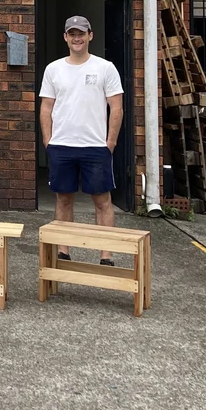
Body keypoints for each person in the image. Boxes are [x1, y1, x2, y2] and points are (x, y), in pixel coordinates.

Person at [39, 15, 124, 264]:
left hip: (95, 147)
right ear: (65, 37)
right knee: (63, 198)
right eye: (72, 34)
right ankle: (63, 250)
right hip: (62, 146)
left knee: (102, 200)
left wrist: (110, 143)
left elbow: (116, 108)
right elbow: (46, 108)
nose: (77, 38)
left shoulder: (105, 67)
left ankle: (105, 254)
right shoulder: (53, 69)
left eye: (81, 33)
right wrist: (48, 141)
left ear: (90, 36)